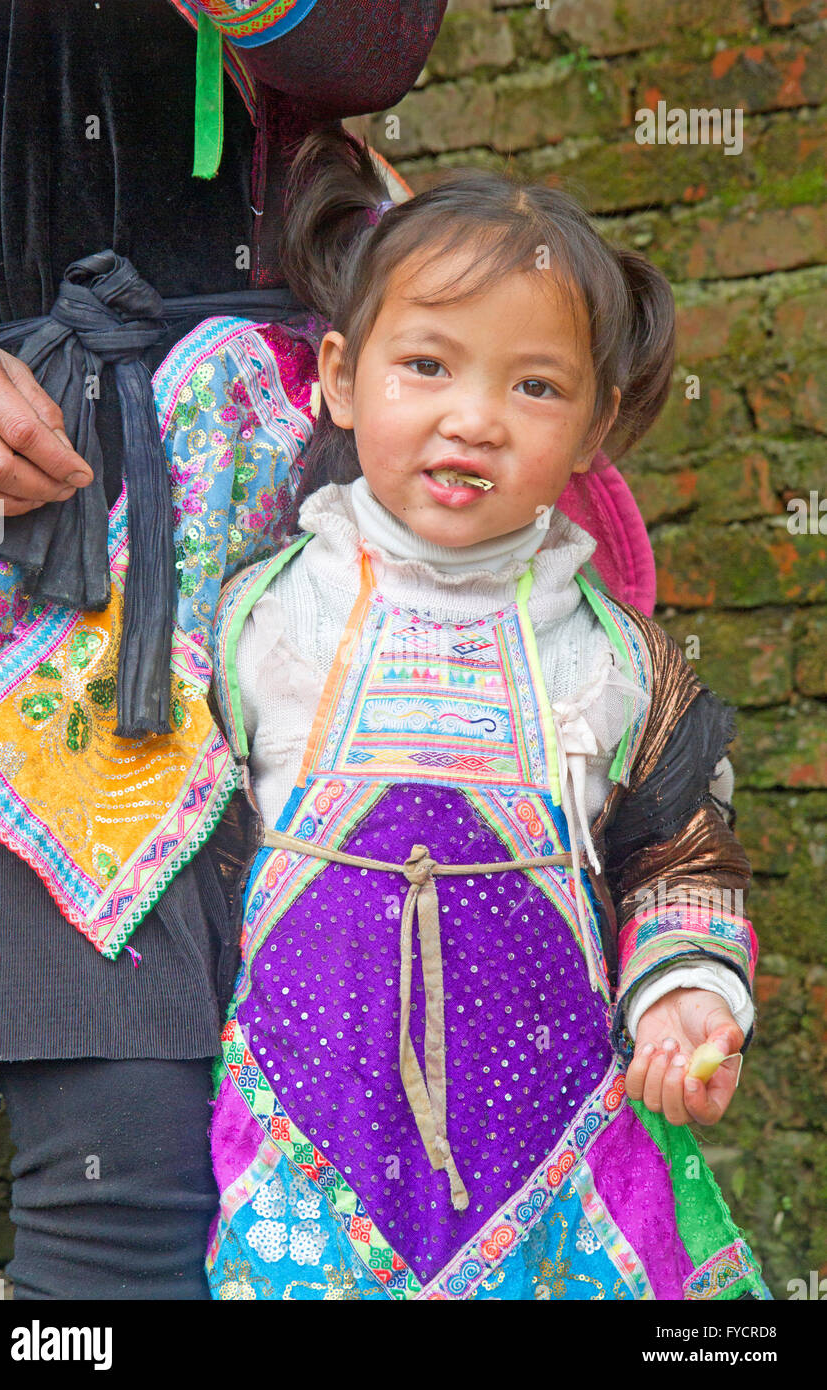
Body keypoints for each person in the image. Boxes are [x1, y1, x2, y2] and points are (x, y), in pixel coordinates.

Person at [204, 128, 770, 1301]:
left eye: (533, 386)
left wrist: (682, 997)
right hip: (307, 1141)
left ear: (592, 428)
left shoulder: (621, 666)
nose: (472, 418)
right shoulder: (248, 628)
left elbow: (681, 858)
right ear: (339, 378)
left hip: (555, 1149)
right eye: (426, 366)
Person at [0, 0, 446, 1299]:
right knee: (122, 1182)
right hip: (21, 558)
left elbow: (373, 43)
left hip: (308, 509)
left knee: (363, 1157)